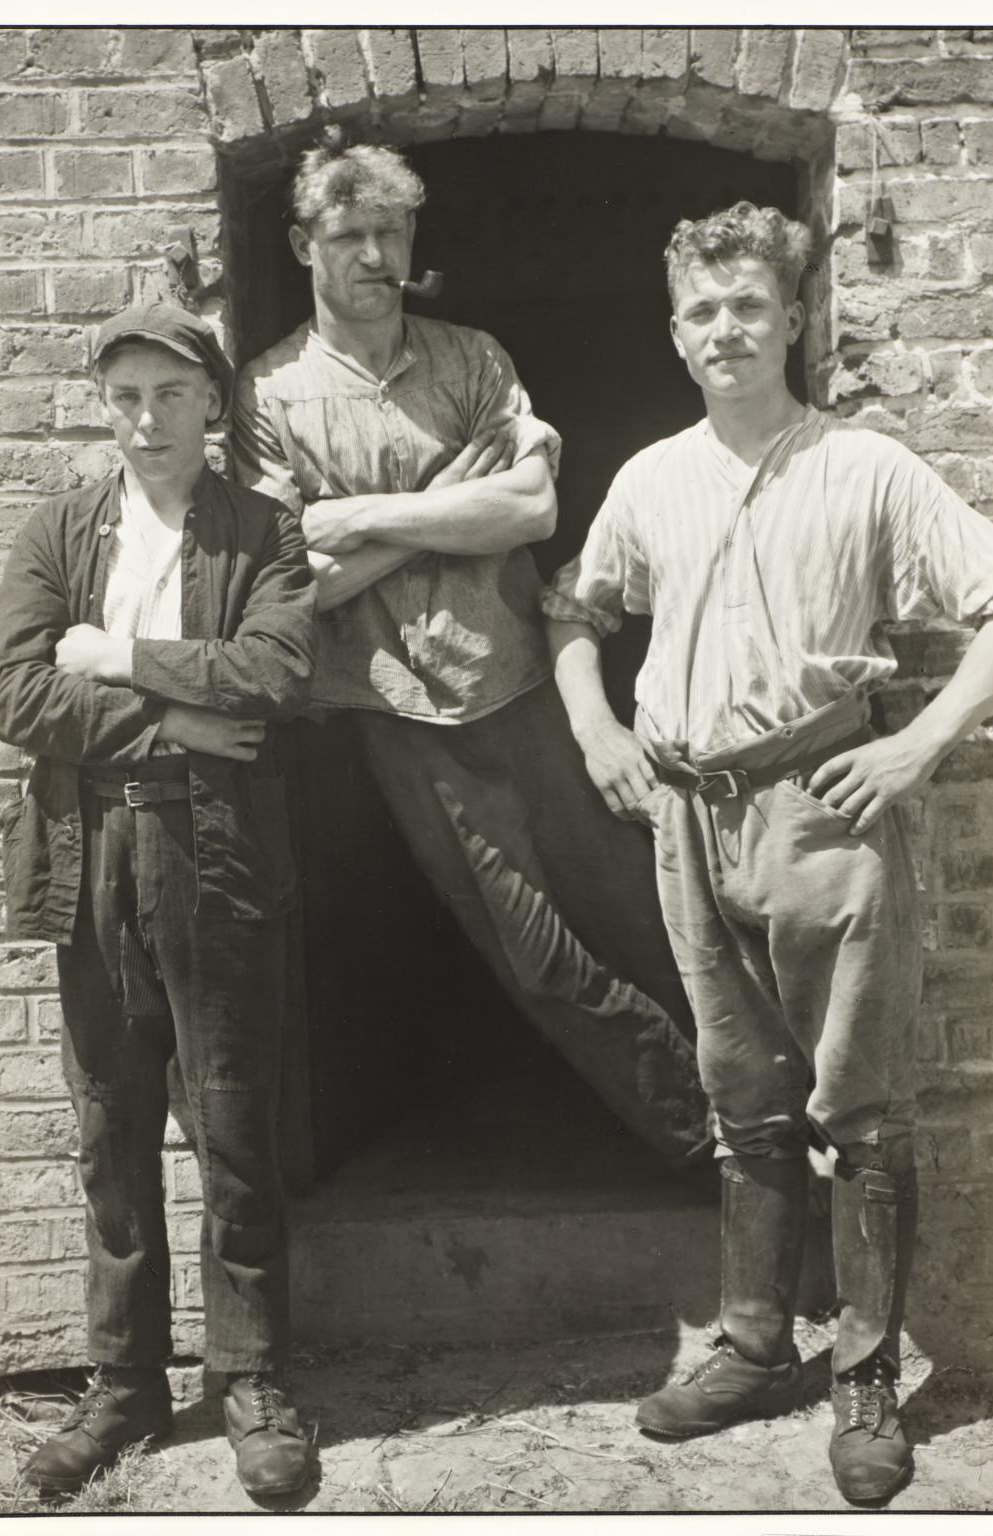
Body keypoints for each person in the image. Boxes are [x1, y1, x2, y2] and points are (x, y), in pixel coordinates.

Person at [542, 201, 993, 1504]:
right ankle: (758, 1344)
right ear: (674, 332)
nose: (724, 331)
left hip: (822, 816)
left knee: (859, 1113)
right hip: (687, 821)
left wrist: (914, 746)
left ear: (793, 322)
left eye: (747, 308)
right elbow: (574, 612)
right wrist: (598, 727)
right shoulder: (650, 478)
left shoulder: (861, 468)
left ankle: (866, 1377)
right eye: (701, 312)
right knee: (740, 1103)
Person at [233, 139, 708, 1170]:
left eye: (391, 233)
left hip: (525, 681)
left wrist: (355, 515)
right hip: (403, 713)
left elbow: (531, 506)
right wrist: (452, 503)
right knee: (534, 955)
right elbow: (292, 588)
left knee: (640, 908)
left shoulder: (470, 358)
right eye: (349, 234)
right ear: (301, 244)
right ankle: (700, 1138)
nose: (374, 254)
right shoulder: (267, 395)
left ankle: (768, 1123)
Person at [0, 303, 318, 1501]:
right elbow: (12, 690)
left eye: (170, 393)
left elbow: (275, 673)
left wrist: (117, 656)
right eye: (125, 395)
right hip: (91, 850)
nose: (146, 418)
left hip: (216, 852)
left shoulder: (263, 533)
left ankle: (252, 1379)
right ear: (102, 407)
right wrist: (169, 712)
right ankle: (124, 1384)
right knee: (110, 1131)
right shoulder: (61, 530)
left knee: (232, 1120)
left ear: (211, 404)